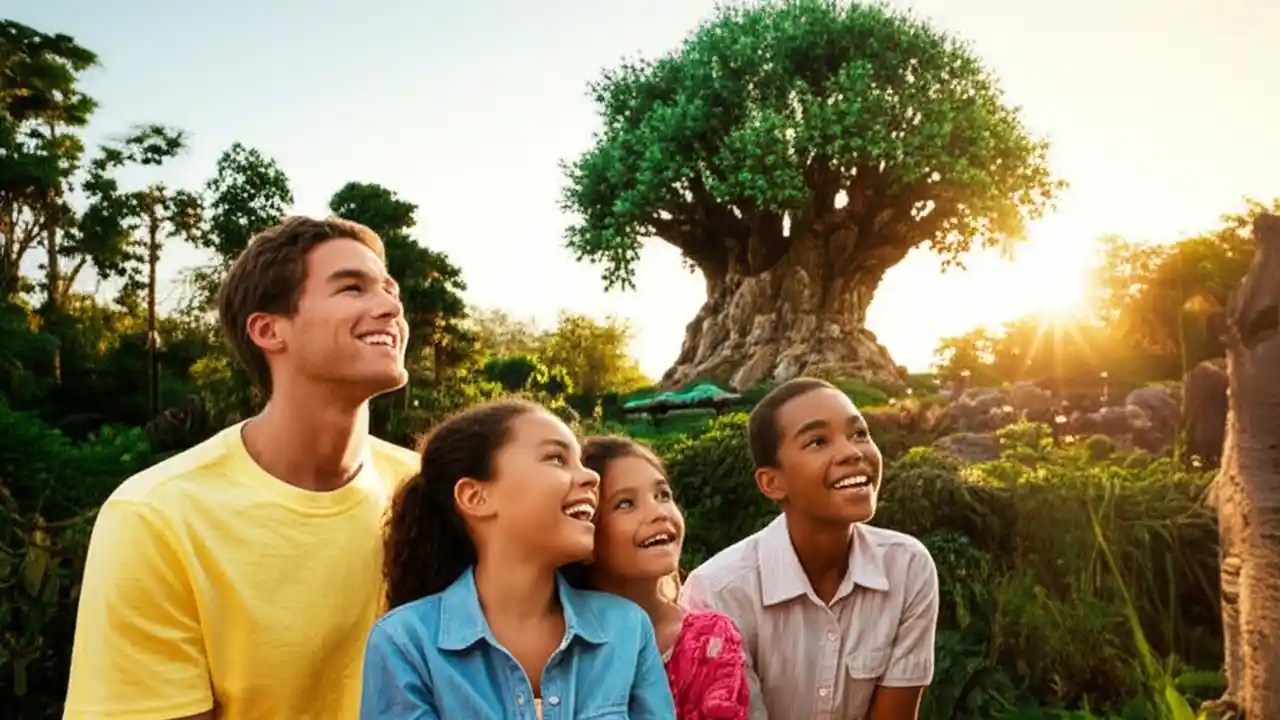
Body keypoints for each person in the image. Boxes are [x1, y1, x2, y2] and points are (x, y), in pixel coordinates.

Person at [63, 216, 420, 719]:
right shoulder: (156, 518)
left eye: (388, 289)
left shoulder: (428, 491)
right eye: (352, 288)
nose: (390, 307)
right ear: (269, 329)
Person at [360, 399, 678, 719]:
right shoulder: (405, 644)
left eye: (581, 462)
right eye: (556, 458)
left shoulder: (627, 629)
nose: (590, 478)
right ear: (476, 497)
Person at [679, 378, 940, 720]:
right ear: (772, 482)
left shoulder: (907, 568)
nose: (852, 451)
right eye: (818, 441)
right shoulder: (717, 593)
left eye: (859, 434)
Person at [572, 435, 750, 720]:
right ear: (584, 531)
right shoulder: (557, 638)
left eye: (663, 495)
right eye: (626, 503)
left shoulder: (708, 642)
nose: (658, 512)